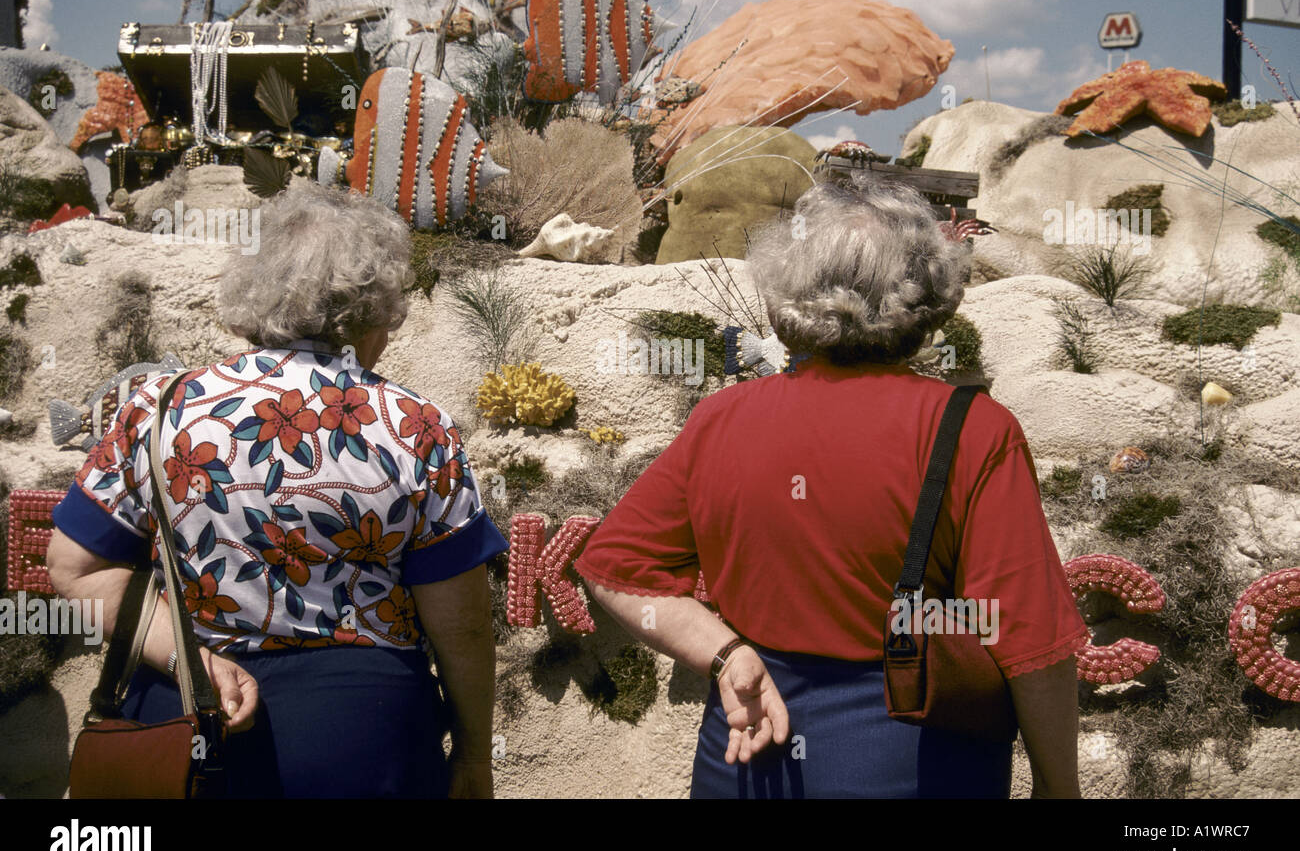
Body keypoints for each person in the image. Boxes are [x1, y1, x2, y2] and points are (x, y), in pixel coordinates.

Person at [575, 178, 1089, 798]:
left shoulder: (722, 417)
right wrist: (1059, 786)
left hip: (746, 756)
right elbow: (1030, 639)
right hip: (914, 757)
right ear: (929, 292)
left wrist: (726, 654)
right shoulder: (974, 429)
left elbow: (614, 568)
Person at [47, 183, 506, 798]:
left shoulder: (159, 411)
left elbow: (75, 568)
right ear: (372, 310)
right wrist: (475, 754)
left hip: (188, 727)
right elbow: (464, 626)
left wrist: (195, 662)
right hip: (365, 741)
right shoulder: (416, 429)